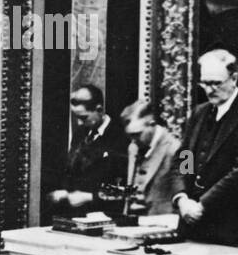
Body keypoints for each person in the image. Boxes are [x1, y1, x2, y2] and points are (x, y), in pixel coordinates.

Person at [174, 49, 238, 245]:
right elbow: (185, 158)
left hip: (224, 228)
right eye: (204, 83)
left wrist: (202, 205)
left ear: (234, 78)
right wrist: (182, 199)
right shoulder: (199, 113)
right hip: (189, 222)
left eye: (216, 83)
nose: (209, 90)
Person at [48, 84, 129, 214]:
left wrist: (91, 197)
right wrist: (66, 191)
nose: (80, 123)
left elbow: (125, 187)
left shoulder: (121, 136)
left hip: (106, 214)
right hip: (77, 214)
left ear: (99, 109)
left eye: (84, 118)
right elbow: (73, 172)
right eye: (77, 118)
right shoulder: (80, 134)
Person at [120, 100, 184, 216]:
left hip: (166, 221)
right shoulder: (134, 147)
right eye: (130, 135)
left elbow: (188, 188)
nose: (133, 141)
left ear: (152, 124)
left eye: (137, 134)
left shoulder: (180, 149)